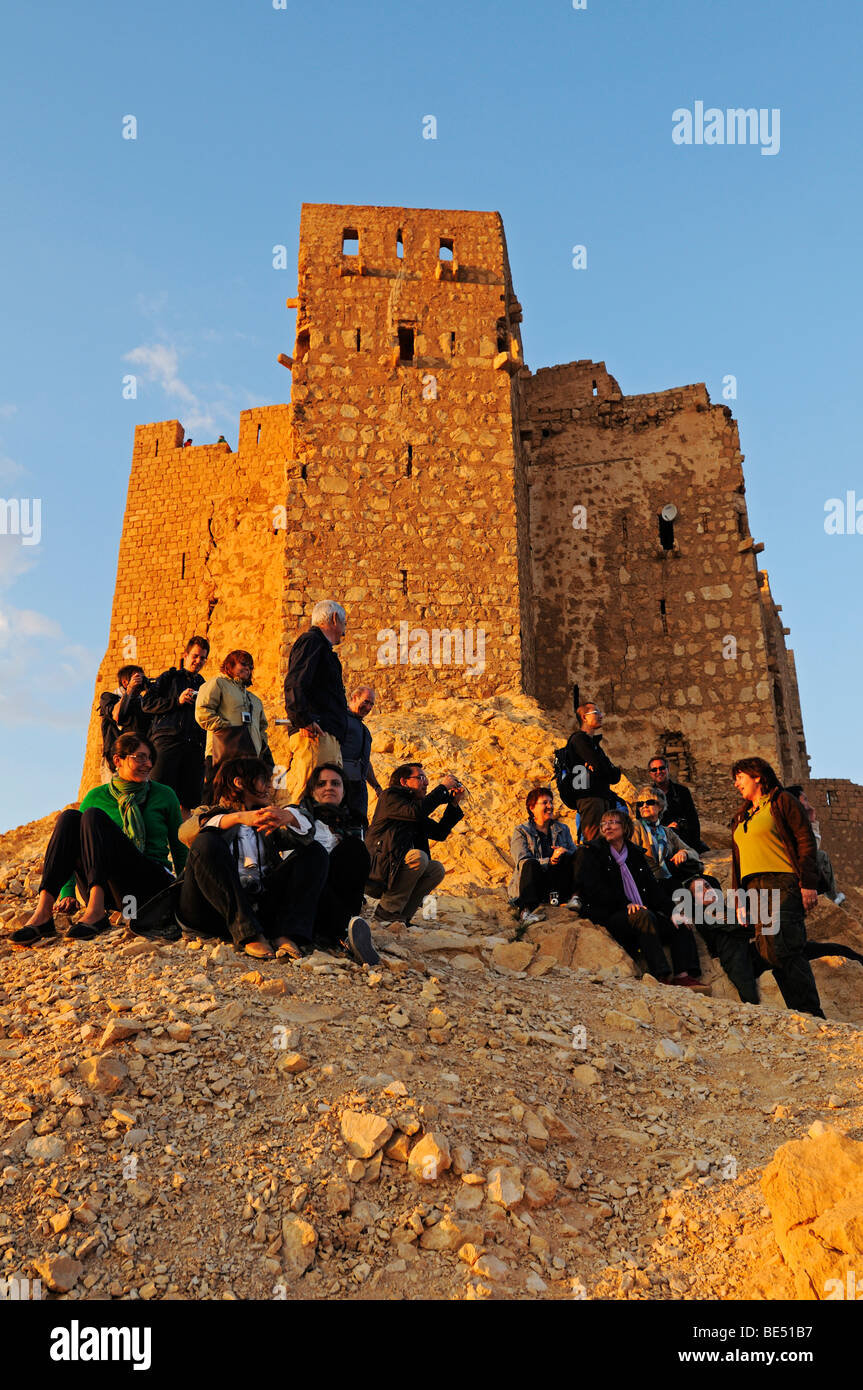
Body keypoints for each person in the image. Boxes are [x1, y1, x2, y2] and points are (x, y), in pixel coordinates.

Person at [9, 734, 186, 948]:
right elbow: (75, 845)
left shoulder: (164, 795)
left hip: (149, 886)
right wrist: (67, 892)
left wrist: (186, 896)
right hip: (111, 889)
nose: (148, 764)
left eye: (150, 758)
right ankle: (44, 913)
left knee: (93, 817)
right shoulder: (96, 796)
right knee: (69, 818)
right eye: (140, 757)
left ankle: (96, 912)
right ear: (118, 760)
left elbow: (179, 848)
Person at [178, 756, 327, 961]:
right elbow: (185, 833)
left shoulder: (266, 820)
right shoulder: (208, 813)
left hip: (257, 906)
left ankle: (284, 933)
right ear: (239, 783)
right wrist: (238, 818)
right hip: (211, 911)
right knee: (207, 842)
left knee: (315, 852)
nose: (269, 786)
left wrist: (289, 816)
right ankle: (248, 934)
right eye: (263, 780)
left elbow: (304, 835)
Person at [730, 757, 824, 1018]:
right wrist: (739, 898)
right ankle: (800, 1012)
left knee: (785, 944)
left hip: (784, 882)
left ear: (757, 776)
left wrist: (808, 883)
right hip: (754, 889)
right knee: (770, 949)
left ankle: (811, 1013)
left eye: (740, 777)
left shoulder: (782, 801)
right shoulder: (742, 815)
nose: (736, 783)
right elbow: (737, 862)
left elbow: (804, 840)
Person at [574, 808, 708, 990]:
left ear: (625, 827)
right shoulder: (592, 852)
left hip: (640, 913)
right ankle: (661, 975)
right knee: (643, 915)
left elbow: (653, 890)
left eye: (613, 822)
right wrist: (625, 904)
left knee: (679, 921)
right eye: (604, 824)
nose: (607, 827)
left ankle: (683, 975)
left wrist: (673, 912)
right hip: (611, 913)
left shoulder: (635, 854)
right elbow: (594, 888)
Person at [298, 763, 379, 964]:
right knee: (313, 857)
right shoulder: (300, 817)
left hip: (338, 898)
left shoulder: (354, 823)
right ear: (312, 791)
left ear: (344, 790)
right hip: (306, 898)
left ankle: (345, 929)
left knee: (355, 848)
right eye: (321, 784)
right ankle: (347, 930)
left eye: (335, 783)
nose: (329, 788)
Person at [366, 763, 465, 926]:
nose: (426, 783)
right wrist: (442, 787)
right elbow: (417, 812)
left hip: (394, 868)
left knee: (436, 869)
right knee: (419, 857)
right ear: (404, 782)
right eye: (421, 778)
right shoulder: (390, 797)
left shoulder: (412, 810)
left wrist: (453, 804)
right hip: (377, 868)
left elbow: (439, 833)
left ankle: (402, 917)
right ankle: (386, 911)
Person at [282, 600, 350, 804]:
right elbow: (295, 682)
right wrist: (303, 720)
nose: (345, 631)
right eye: (344, 623)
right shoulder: (311, 641)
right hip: (315, 735)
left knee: (324, 800)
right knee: (306, 794)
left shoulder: (321, 647)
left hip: (325, 734)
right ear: (335, 619)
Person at [140, 637, 210, 816]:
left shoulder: (204, 686)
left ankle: (181, 841)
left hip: (194, 746)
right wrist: (177, 701)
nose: (198, 661)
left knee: (188, 799)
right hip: (167, 740)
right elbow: (147, 704)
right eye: (195, 656)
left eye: (203, 658)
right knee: (158, 792)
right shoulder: (169, 678)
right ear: (185, 655)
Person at [195, 650, 273, 798]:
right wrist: (226, 728)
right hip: (221, 753)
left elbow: (262, 727)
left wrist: (261, 744)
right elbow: (203, 711)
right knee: (215, 799)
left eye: (250, 667)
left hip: (249, 757)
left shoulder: (255, 700)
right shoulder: (218, 683)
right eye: (243, 664)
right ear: (230, 664)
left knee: (244, 799)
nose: (247, 669)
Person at [508, 788, 581, 925]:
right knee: (530, 863)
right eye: (544, 803)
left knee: (577, 855)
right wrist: (551, 860)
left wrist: (563, 852)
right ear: (532, 808)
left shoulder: (562, 829)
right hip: (535, 883)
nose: (550, 806)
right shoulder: (521, 831)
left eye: (551, 802)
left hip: (557, 882)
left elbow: (574, 853)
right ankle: (525, 912)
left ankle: (574, 898)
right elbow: (522, 860)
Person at [631, 784, 702, 911]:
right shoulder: (636, 827)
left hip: (670, 880)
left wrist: (684, 853)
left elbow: (694, 853)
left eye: (650, 802)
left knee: (708, 882)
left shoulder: (666, 832)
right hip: (649, 883)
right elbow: (632, 860)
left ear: (660, 806)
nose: (644, 806)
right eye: (640, 804)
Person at [561, 702, 622, 843]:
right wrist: (604, 769)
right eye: (596, 713)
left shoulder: (593, 743)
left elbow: (614, 775)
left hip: (600, 797)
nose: (601, 716)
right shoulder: (579, 740)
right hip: (590, 798)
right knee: (594, 842)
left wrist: (604, 769)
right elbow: (602, 767)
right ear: (584, 717)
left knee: (605, 841)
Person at [785, 785, 845, 905]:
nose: (808, 803)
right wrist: (812, 821)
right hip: (790, 870)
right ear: (796, 801)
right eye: (805, 799)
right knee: (821, 856)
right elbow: (812, 850)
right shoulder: (791, 822)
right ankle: (832, 898)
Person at [340, 685, 383, 827]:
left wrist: (376, 787)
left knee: (358, 830)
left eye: (372, 704)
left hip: (358, 790)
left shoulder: (364, 730)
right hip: (342, 786)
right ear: (354, 698)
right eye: (366, 702)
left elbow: (365, 762)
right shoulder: (340, 720)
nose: (369, 707)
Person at [647, 755, 709, 853]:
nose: (658, 772)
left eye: (662, 768)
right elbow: (643, 824)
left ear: (667, 769)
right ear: (650, 774)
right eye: (654, 770)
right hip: (660, 844)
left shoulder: (682, 792)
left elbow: (693, 820)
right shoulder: (647, 796)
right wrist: (667, 829)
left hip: (683, 841)